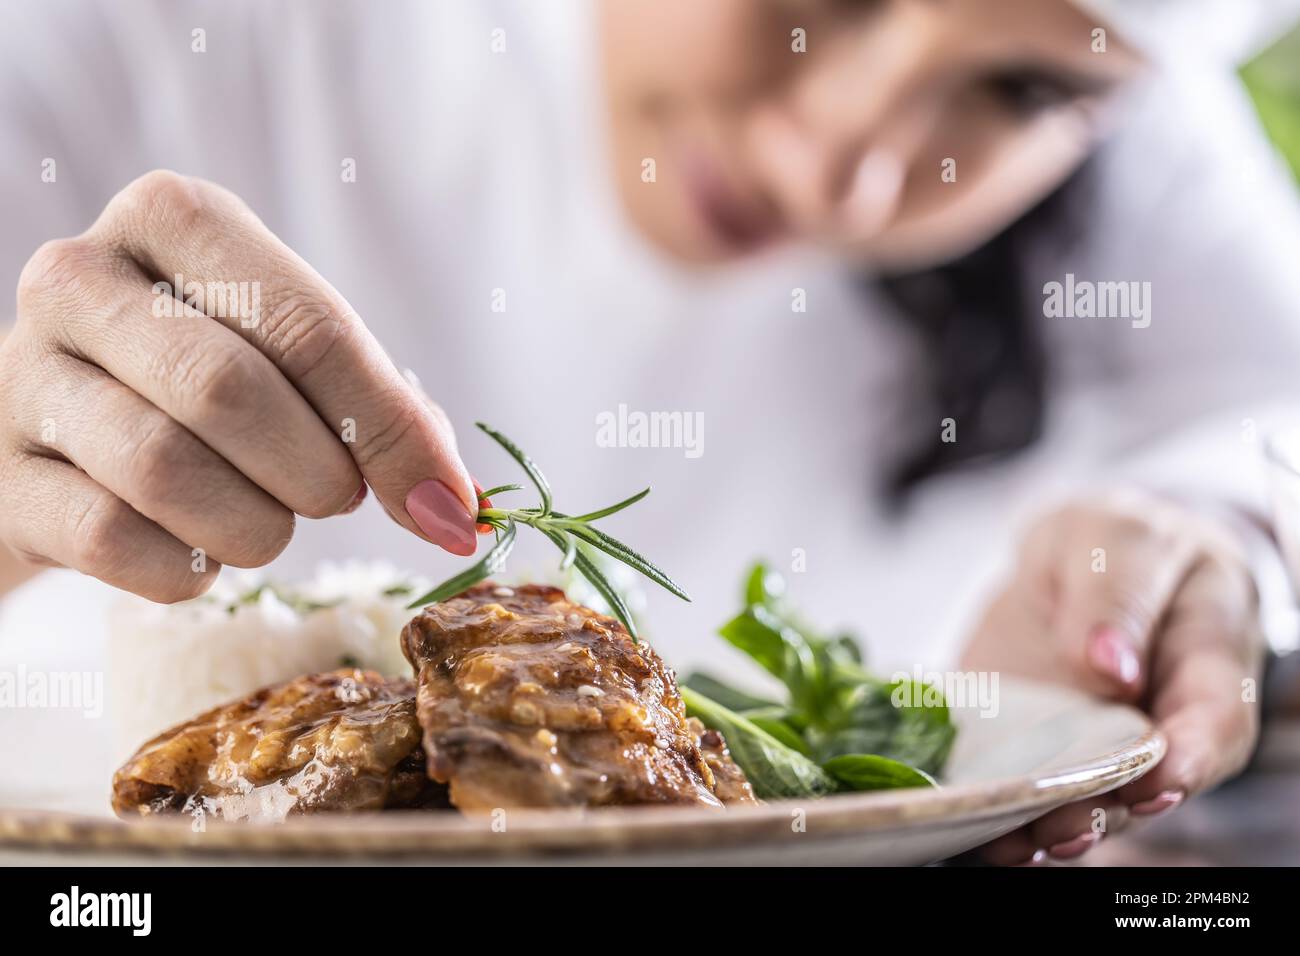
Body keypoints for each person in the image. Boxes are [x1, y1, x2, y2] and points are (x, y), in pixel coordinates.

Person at [1, 0, 1299, 863]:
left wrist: (1216, 538)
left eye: (1016, 88)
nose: (838, 166)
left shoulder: (1142, 140)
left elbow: (1271, 417)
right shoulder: (143, 35)